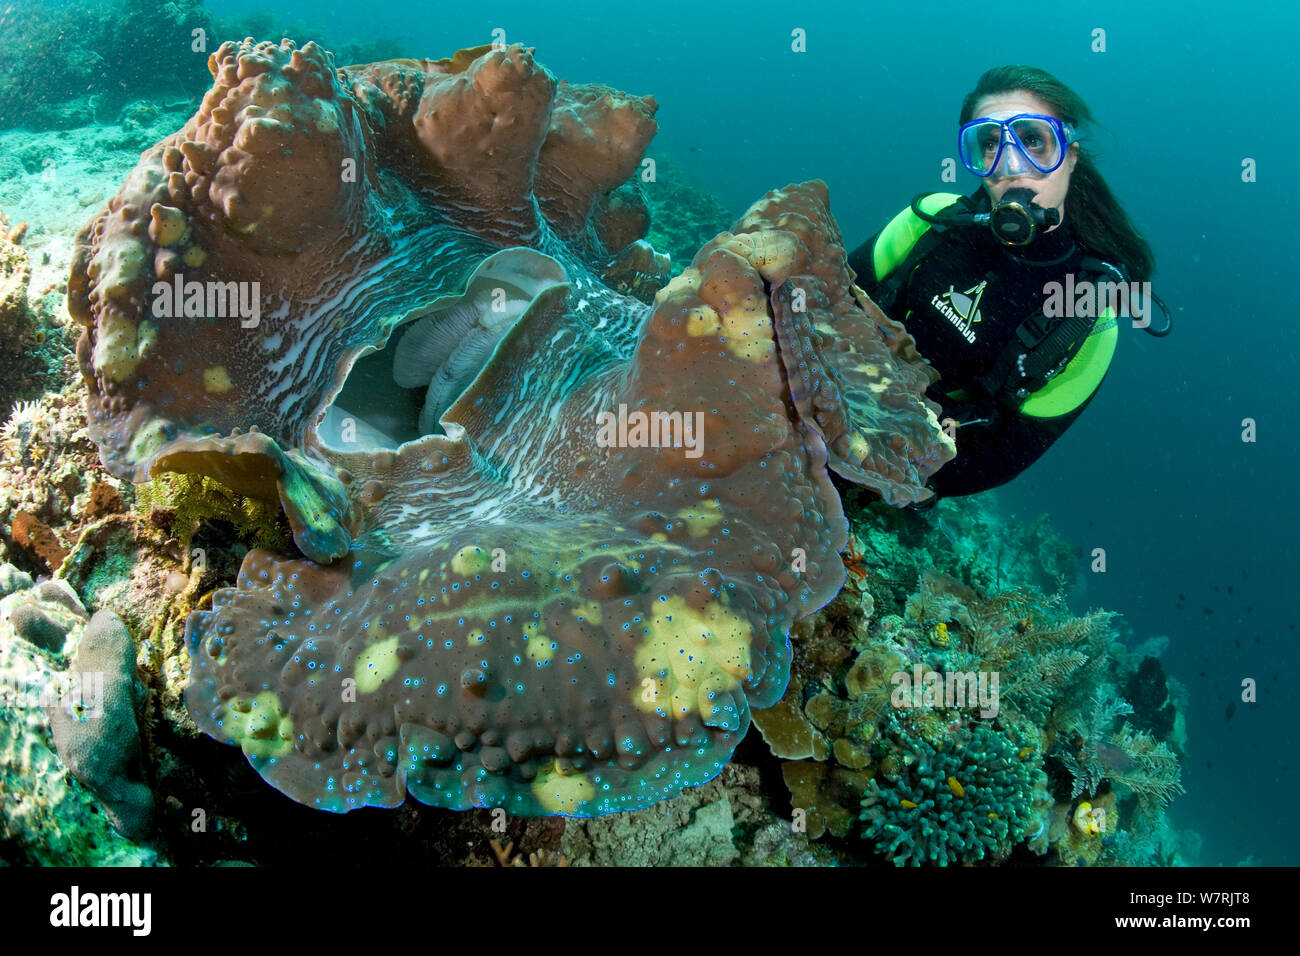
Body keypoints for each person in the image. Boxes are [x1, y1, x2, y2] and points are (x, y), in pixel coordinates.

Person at [848, 65, 1167, 499]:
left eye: (1033, 140)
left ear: (1071, 155)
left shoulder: (1088, 312)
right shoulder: (932, 221)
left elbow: (1002, 458)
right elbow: (830, 296)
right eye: (991, 144)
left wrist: (875, 463)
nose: (1012, 166)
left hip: (888, 470)